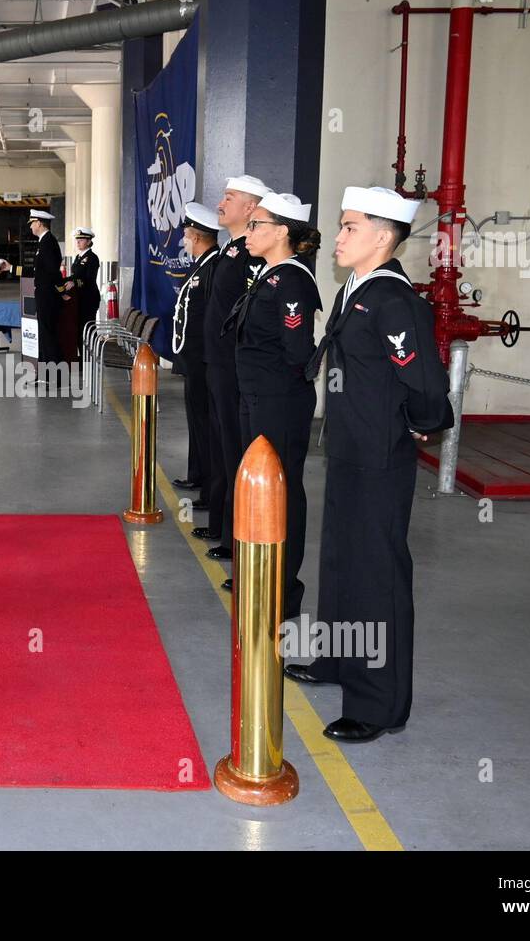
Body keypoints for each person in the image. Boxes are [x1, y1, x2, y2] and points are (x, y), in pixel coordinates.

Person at [290, 186, 454, 743]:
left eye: (350, 227)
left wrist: (419, 421)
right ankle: (337, 659)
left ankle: (378, 703)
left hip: (379, 456)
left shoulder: (392, 300)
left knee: (376, 574)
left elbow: (428, 383)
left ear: (383, 237)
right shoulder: (357, 290)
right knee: (339, 561)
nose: (337, 237)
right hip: (348, 449)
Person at [224, 192, 322, 603]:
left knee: (280, 489)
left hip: (279, 398)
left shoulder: (293, 279)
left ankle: (282, 588)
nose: (248, 233)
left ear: (282, 231)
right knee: (258, 487)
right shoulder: (268, 273)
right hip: (257, 394)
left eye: (256, 225)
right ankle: (259, 570)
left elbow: (297, 350)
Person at [202, 175, 269, 565]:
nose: (221, 202)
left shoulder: (252, 254)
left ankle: (234, 538)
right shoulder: (231, 248)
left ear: (250, 208)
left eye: (230, 197)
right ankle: (221, 525)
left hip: (233, 365)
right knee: (220, 445)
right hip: (216, 362)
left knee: (234, 452)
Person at [170, 203, 220, 512]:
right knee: (196, 420)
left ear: (197, 236)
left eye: (187, 235)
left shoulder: (214, 266)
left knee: (205, 422)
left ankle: (207, 480)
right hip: (193, 359)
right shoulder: (201, 264)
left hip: (204, 359)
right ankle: (197, 474)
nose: (184, 241)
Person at [29, 209, 72, 363]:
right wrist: (12, 269)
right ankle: (46, 374)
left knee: (49, 337)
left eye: (32, 223)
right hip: (44, 294)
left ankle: (53, 376)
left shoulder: (48, 242)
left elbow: (53, 272)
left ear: (39, 223)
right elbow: (38, 270)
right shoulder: (44, 241)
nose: (31, 227)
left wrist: (61, 291)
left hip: (47, 296)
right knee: (45, 335)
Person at [69, 227, 101, 354]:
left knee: (87, 329)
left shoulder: (92, 258)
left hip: (89, 298)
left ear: (88, 241)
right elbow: (74, 276)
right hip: (79, 297)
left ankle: (90, 358)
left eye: (81, 239)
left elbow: (89, 279)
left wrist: (74, 283)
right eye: (77, 239)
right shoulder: (78, 257)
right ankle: (82, 359)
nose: (78, 242)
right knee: (79, 329)